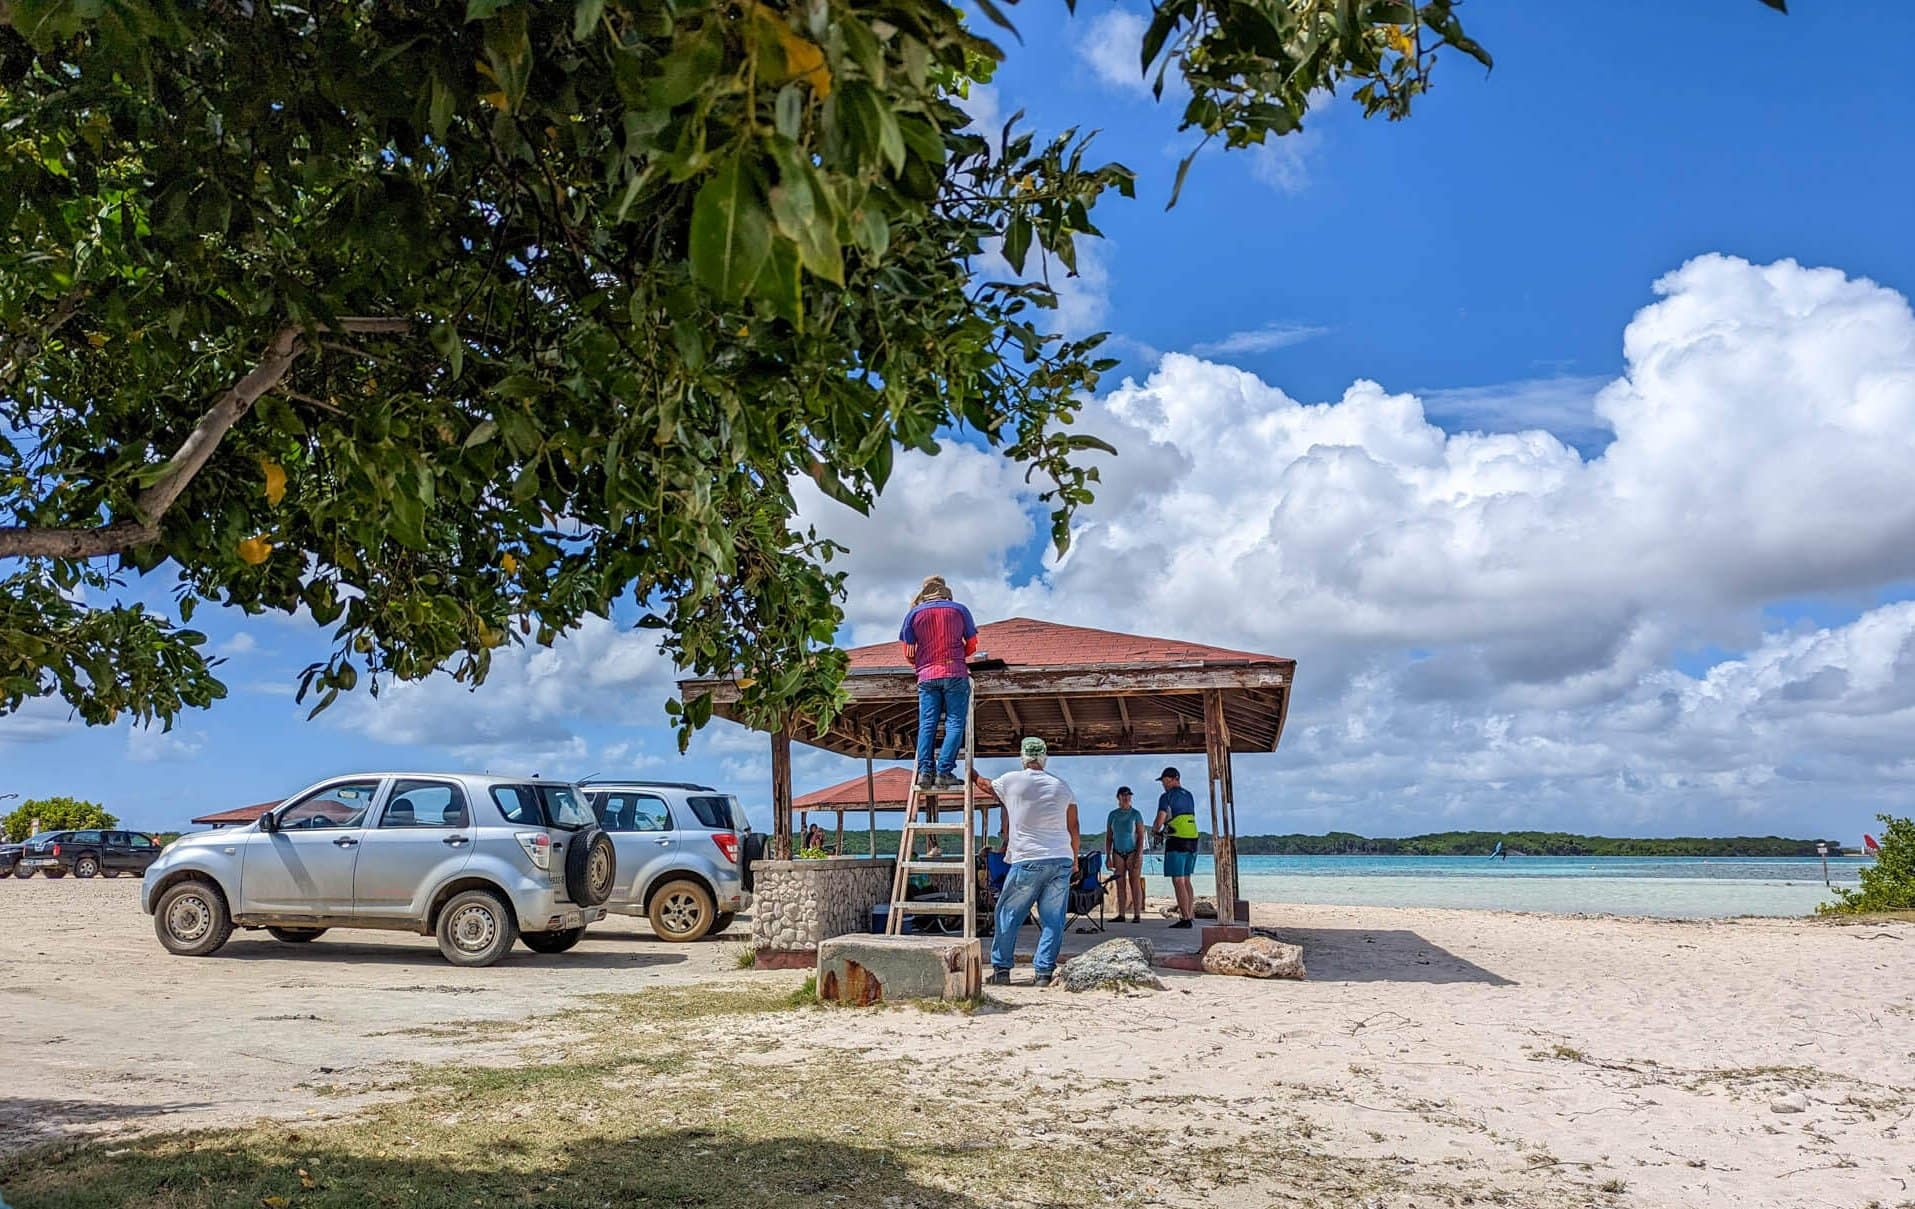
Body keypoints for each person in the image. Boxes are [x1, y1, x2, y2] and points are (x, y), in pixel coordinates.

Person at [988, 737, 1078, 987]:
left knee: (1007, 915)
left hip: (1028, 858)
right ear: (1044, 757)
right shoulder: (1062, 786)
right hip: (1061, 857)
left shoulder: (1011, 780)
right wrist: (1075, 859)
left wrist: (971, 773)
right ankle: (1043, 973)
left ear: (1023, 757)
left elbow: (985, 786)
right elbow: (1074, 826)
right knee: (1053, 920)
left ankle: (1002, 970)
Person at [899, 576, 979, 790]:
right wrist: (957, 655)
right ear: (947, 593)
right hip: (955, 671)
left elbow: (908, 651)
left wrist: (923, 663)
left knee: (927, 724)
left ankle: (925, 772)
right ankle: (944, 771)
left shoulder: (914, 614)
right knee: (954, 722)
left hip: (926, 675)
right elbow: (972, 644)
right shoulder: (959, 610)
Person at [1152, 767, 1199, 929]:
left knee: (1178, 880)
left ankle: (1185, 918)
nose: (1163, 785)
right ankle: (1190, 914)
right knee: (1186, 879)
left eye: (1164, 781)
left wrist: (1155, 830)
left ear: (1173, 779)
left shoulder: (1166, 797)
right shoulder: (1189, 795)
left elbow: (1160, 820)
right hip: (1193, 839)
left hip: (1176, 839)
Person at [1104, 786, 1145, 923]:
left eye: (1128, 795)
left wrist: (1139, 855)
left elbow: (1140, 836)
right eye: (1123, 795)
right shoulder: (1113, 814)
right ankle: (1121, 914)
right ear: (1118, 797)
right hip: (1117, 852)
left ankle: (1137, 914)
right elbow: (1109, 836)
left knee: (1135, 882)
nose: (1126, 797)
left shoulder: (1135, 814)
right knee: (1119, 883)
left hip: (1133, 852)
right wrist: (1108, 856)